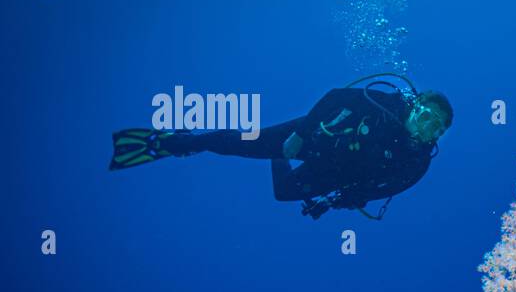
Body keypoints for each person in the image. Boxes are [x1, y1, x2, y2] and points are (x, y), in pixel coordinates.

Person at [109, 75, 451, 219]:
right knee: (237, 142)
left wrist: (336, 202)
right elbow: (335, 97)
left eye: (436, 127)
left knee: (284, 193)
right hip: (313, 135)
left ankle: (271, 153)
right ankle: (179, 142)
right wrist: (300, 134)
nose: (426, 127)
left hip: (333, 172)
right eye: (425, 116)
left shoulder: (417, 163)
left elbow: (383, 189)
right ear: (415, 106)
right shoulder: (384, 103)